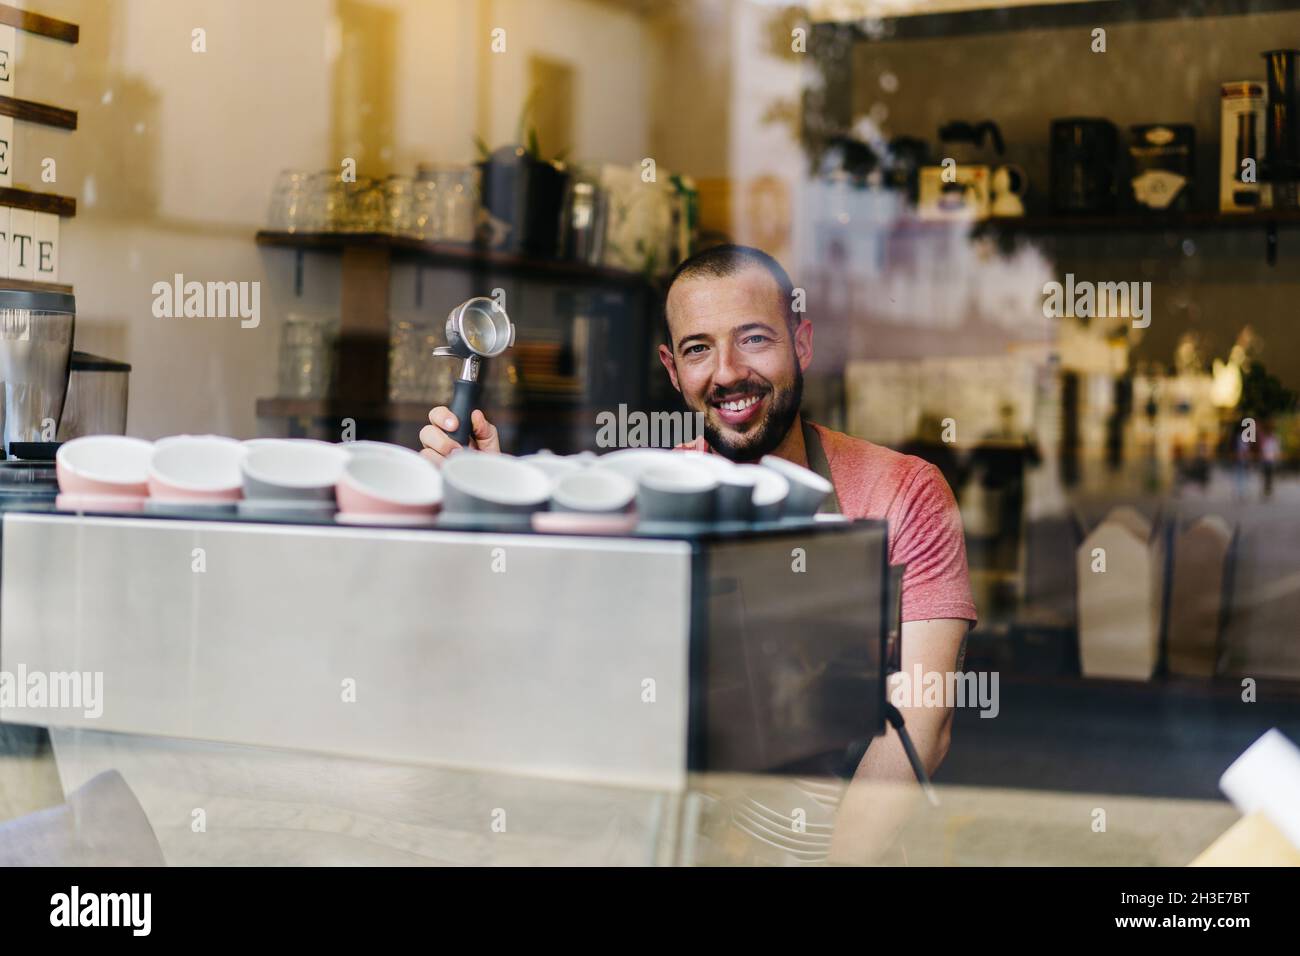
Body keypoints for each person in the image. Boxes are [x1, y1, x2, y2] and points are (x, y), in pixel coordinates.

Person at [420, 244, 977, 863]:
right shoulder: (638, 491)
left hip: (841, 843)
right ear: (672, 368)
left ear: (803, 344)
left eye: (755, 339)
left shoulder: (904, 491)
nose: (728, 372)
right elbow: (563, 652)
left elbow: (922, 725)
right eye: (698, 349)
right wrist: (494, 499)